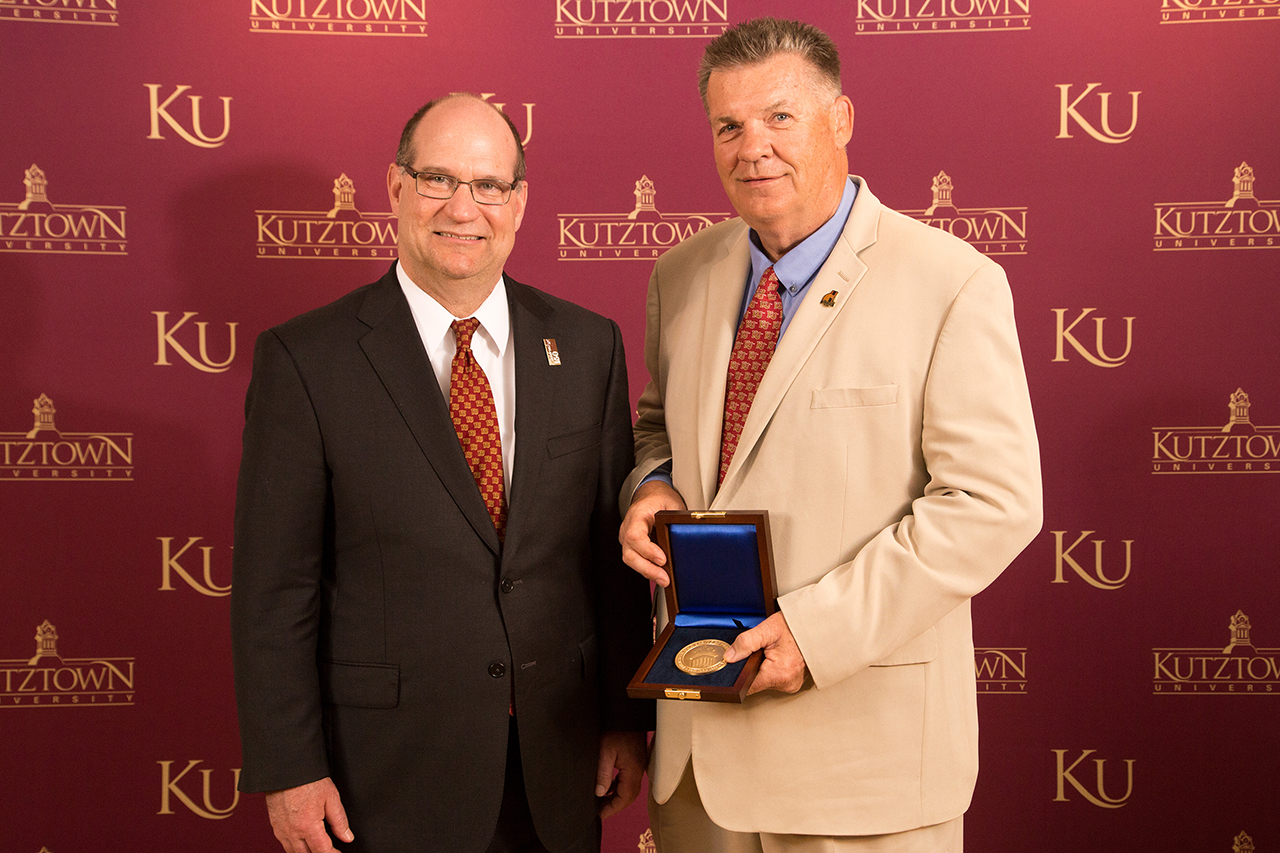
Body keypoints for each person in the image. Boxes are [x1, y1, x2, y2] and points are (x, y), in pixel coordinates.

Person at [618, 17, 1042, 853]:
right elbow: (658, 426)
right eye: (728, 126)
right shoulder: (682, 274)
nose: (754, 148)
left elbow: (993, 504)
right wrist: (651, 484)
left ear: (840, 120)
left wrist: (816, 633)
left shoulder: (951, 283)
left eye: (781, 117)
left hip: (862, 768)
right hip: (699, 767)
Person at [231, 93, 653, 853]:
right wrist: (290, 767)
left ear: (519, 203)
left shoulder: (590, 346)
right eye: (438, 180)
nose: (465, 207)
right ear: (395, 187)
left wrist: (626, 717)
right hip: (383, 780)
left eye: (489, 185)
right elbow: (274, 589)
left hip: (556, 768)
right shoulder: (306, 359)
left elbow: (608, 557)